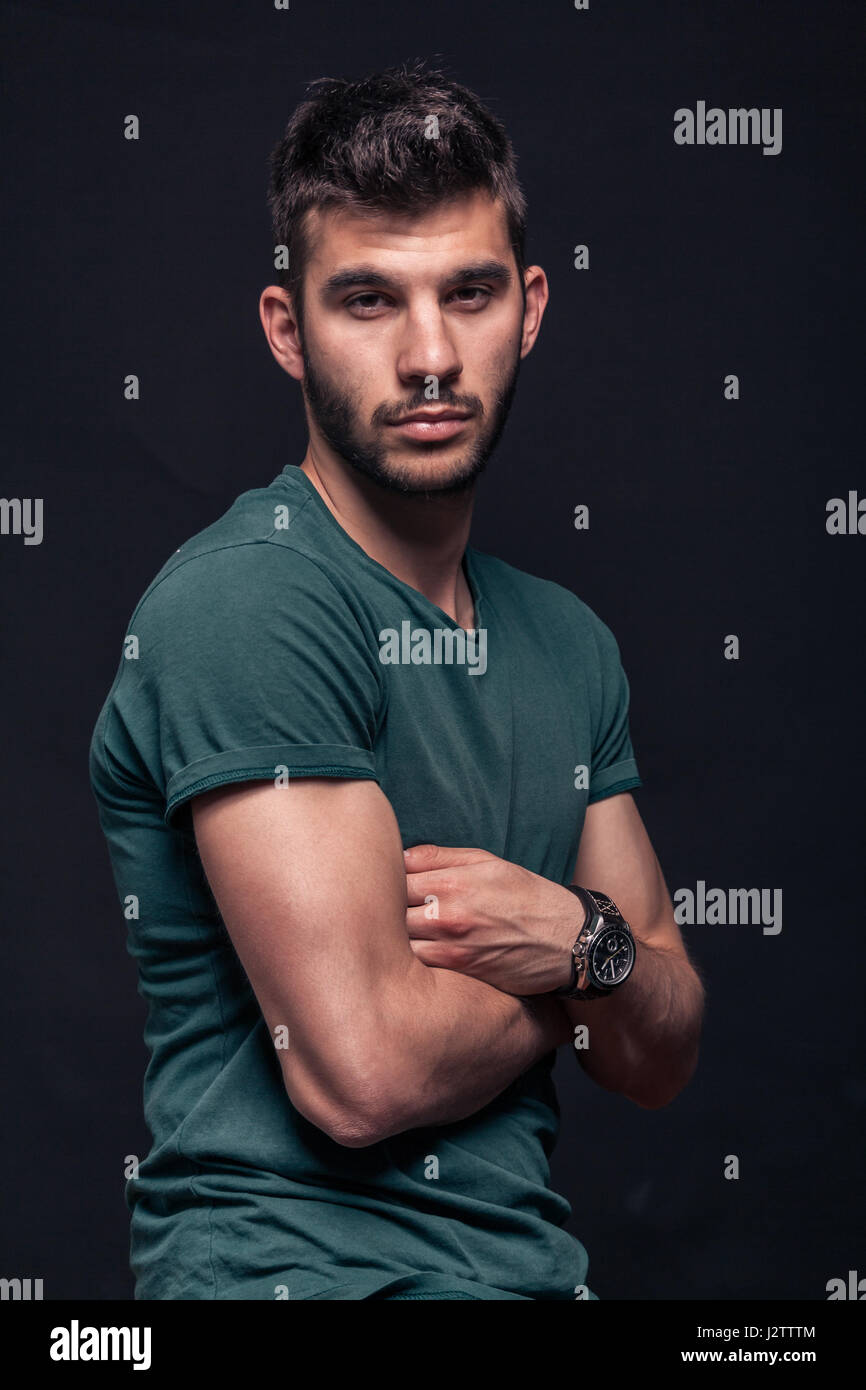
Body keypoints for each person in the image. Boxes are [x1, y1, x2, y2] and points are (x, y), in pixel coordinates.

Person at [89, 59, 704, 1301]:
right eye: (367, 300)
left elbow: (660, 1053)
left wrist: (573, 942)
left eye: (467, 293)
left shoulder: (567, 642)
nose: (429, 356)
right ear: (287, 328)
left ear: (528, 307)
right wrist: (580, 960)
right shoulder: (246, 604)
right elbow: (360, 1073)